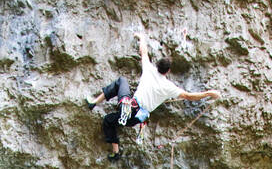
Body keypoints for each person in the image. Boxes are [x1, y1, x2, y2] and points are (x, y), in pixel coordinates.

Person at [86, 29, 221, 161]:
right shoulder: (169, 87)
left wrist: (141, 38)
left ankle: (94, 102)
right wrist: (209, 93)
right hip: (137, 119)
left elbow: (143, 52)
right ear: (167, 71)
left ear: (157, 66)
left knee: (121, 81)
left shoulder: (149, 69)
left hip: (129, 107)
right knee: (109, 120)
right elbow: (188, 96)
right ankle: (115, 153)